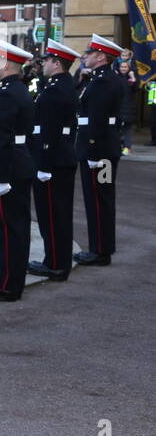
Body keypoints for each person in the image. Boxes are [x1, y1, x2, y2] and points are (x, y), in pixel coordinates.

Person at [0, 39, 36, 302]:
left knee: (7, 227)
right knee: (14, 227)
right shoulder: (17, 90)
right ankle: (7, 278)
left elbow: (2, 137)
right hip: (19, 163)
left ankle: (7, 284)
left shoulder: (7, 94)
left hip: (10, 168)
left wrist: (0, 176)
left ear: (5, 64)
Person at [27, 39, 80, 282]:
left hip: (53, 159)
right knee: (57, 214)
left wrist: (44, 164)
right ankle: (56, 261)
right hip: (60, 157)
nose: (43, 64)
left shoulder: (57, 89)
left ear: (56, 63)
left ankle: (57, 265)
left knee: (52, 214)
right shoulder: (63, 85)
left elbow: (50, 129)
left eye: (47, 60)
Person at [74, 34, 126, 267]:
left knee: (99, 199)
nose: (85, 57)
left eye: (89, 53)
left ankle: (100, 251)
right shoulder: (98, 79)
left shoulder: (104, 81)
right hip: (99, 148)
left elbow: (99, 119)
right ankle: (100, 248)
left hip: (100, 151)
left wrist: (93, 152)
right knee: (98, 198)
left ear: (101, 56)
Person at [116, 55, 138, 156]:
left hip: (128, 108)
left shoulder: (131, 78)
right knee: (117, 129)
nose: (123, 69)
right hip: (117, 108)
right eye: (121, 67)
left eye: (125, 67)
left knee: (127, 129)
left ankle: (127, 147)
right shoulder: (116, 77)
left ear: (128, 68)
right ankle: (119, 146)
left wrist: (133, 77)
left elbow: (135, 90)